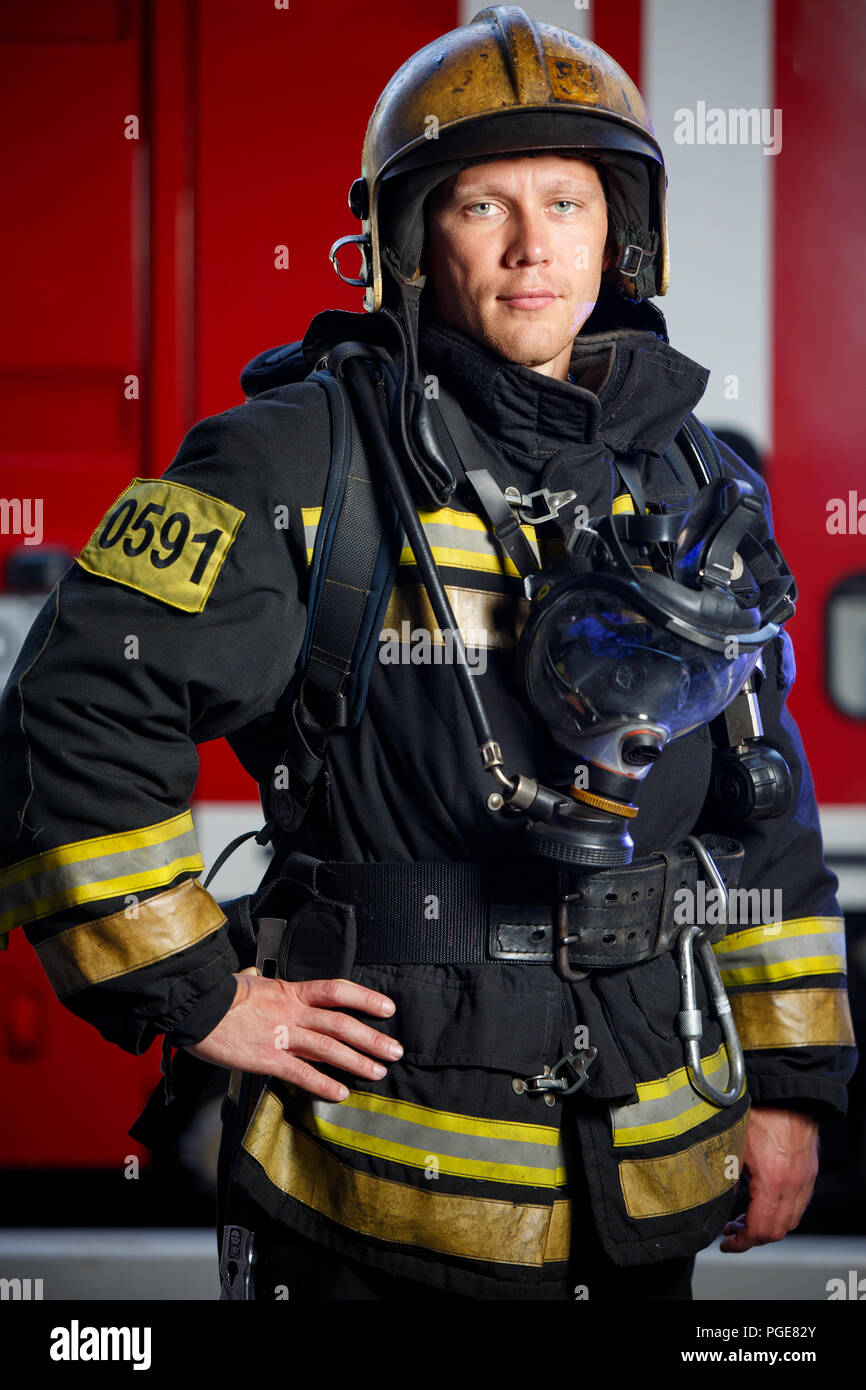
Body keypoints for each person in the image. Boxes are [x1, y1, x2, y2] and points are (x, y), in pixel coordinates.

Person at [0, 8, 856, 1302]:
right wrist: (195, 985)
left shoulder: (694, 482)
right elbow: (71, 712)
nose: (530, 247)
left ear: (617, 231)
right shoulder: (296, 458)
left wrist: (790, 1090)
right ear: (407, 240)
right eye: (480, 205)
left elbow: (761, 799)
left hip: (642, 1176)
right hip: (370, 1192)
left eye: (564, 201)